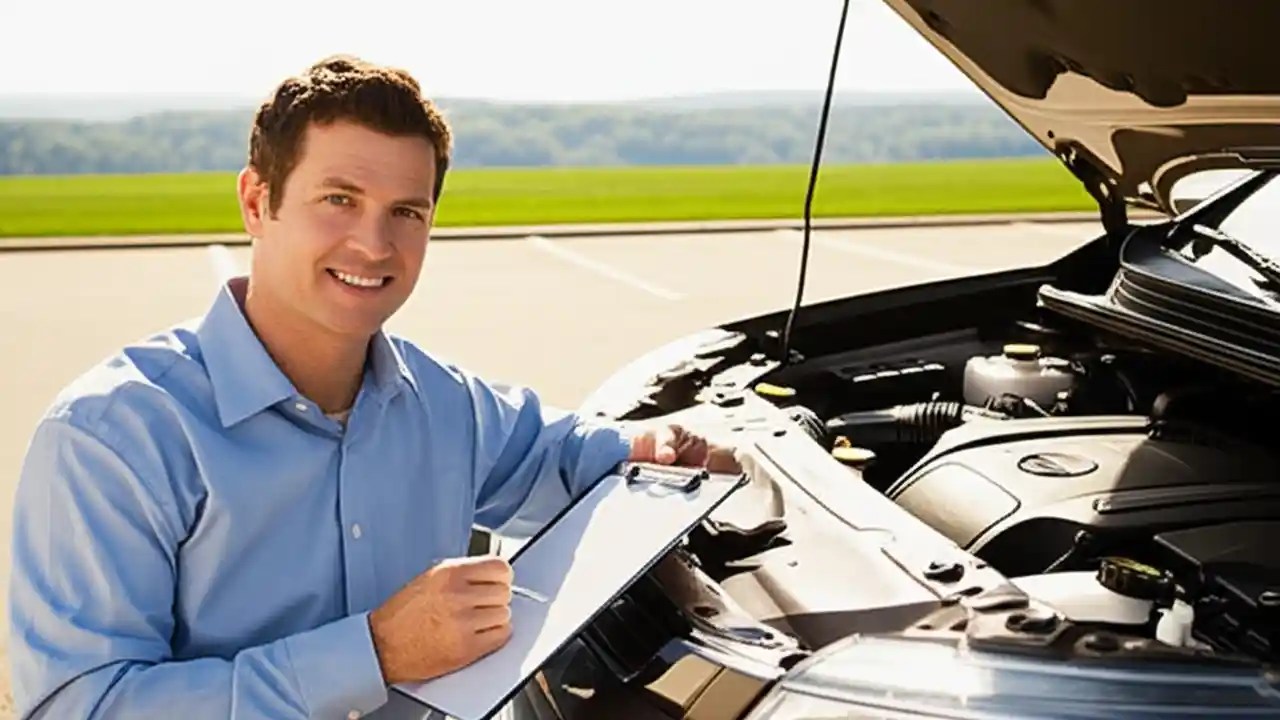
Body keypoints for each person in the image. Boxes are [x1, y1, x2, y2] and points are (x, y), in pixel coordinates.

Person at [7, 55, 738, 719]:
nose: (374, 245)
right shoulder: (114, 436)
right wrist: (375, 655)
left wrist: (654, 446)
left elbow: (562, 458)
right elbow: (82, 709)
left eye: (406, 212)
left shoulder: (446, 405)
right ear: (257, 202)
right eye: (339, 199)